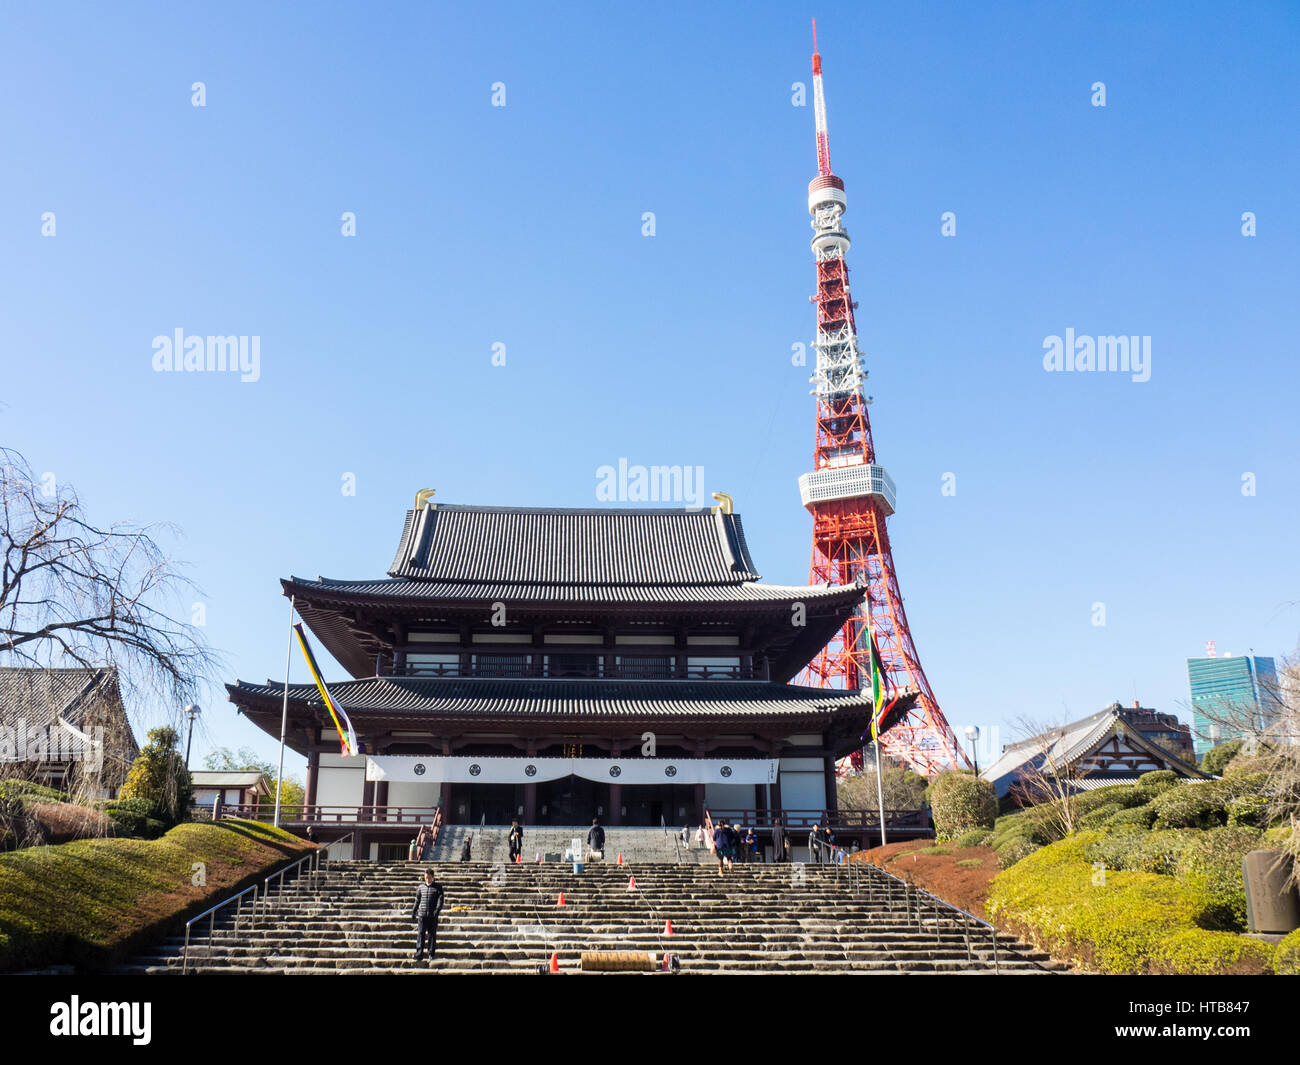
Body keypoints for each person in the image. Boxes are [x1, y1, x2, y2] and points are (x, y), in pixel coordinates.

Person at [411, 869, 444, 962]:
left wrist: (437, 911)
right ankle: (419, 954)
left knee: (432, 935)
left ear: (433, 877)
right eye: (426, 878)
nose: (427, 879)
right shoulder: (421, 887)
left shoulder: (438, 888)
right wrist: (414, 911)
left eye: (429, 878)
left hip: (432, 915)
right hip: (422, 915)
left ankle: (431, 953)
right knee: (420, 934)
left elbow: (440, 901)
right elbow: (417, 900)